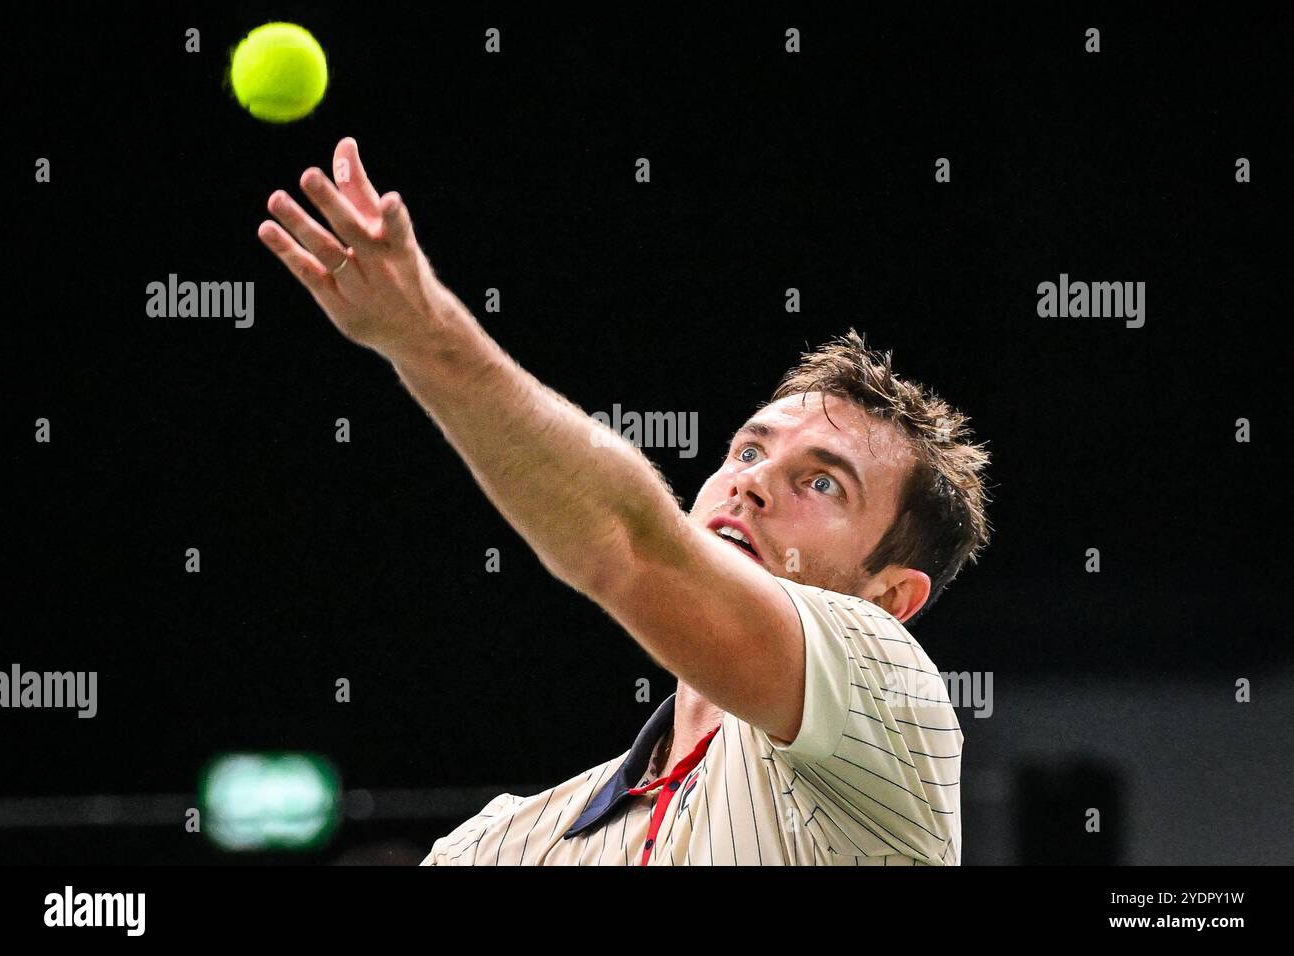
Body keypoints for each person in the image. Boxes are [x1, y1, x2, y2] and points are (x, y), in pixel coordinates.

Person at [258, 137, 992, 866]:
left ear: (890, 596)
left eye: (822, 482)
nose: (753, 483)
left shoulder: (894, 704)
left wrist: (428, 339)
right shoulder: (502, 846)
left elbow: (633, 545)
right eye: (747, 451)